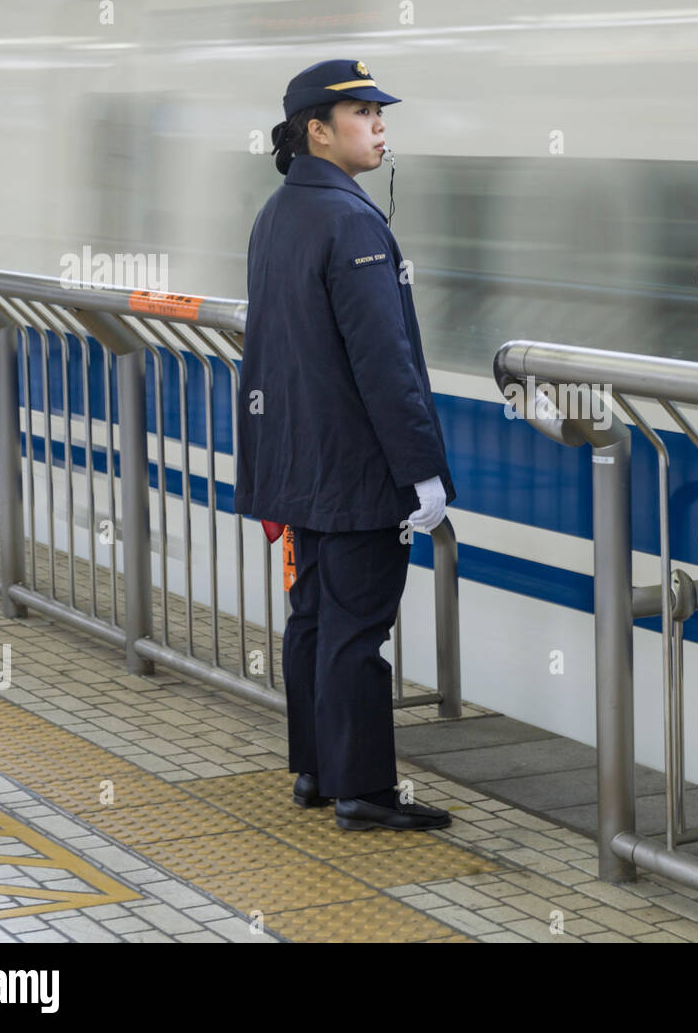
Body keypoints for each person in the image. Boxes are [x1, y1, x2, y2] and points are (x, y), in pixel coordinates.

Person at [234, 59, 455, 832]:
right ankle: (364, 792)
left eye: (379, 112)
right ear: (317, 131)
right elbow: (384, 361)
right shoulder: (353, 221)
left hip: (298, 460)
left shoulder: (277, 213)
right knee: (356, 629)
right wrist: (423, 471)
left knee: (313, 620)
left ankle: (316, 774)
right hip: (356, 469)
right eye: (363, 113)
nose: (380, 124)